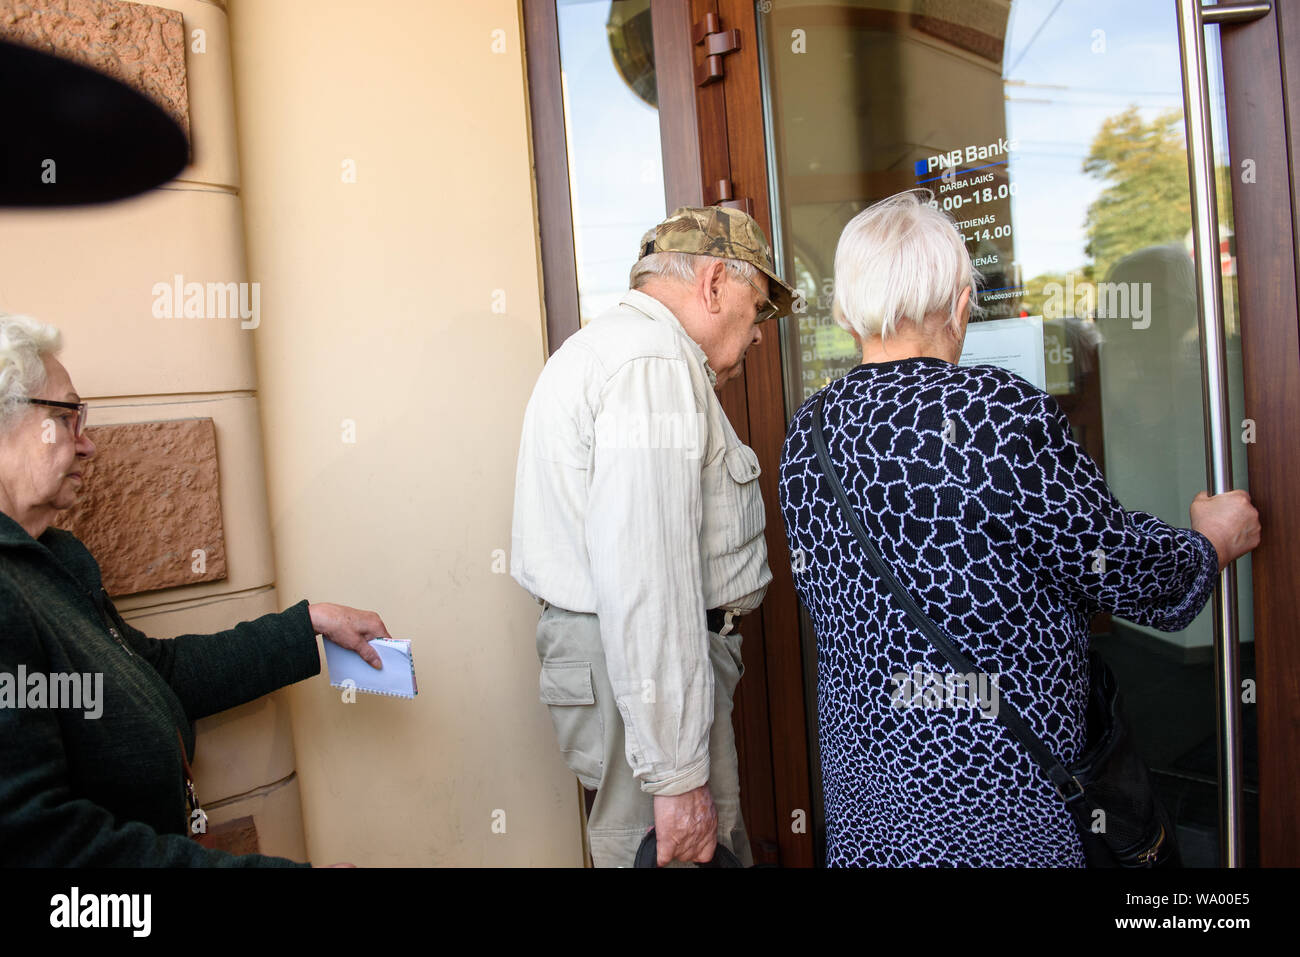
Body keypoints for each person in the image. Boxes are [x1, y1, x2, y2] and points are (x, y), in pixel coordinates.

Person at [778, 191, 1261, 866]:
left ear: (842, 310)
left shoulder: (810, 433)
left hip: (870, 809)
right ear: (960, 302)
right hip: (1003, 810)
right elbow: (1110, 560)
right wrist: (1209, 541)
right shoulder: (996, 412)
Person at [0, 314, 392, 866]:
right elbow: (44, 846)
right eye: (68, 417)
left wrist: (310, 624)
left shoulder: (55, 559)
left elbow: (155, 674)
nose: (87, 444)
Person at [511, 206, 796, 866]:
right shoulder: (652, 362)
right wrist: (676, 777)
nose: (757, 337)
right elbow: (648, 576)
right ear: (715, 281)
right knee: (682, 849)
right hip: (635, 675)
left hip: (620, 670)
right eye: (757, 310)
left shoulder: (616, 348)